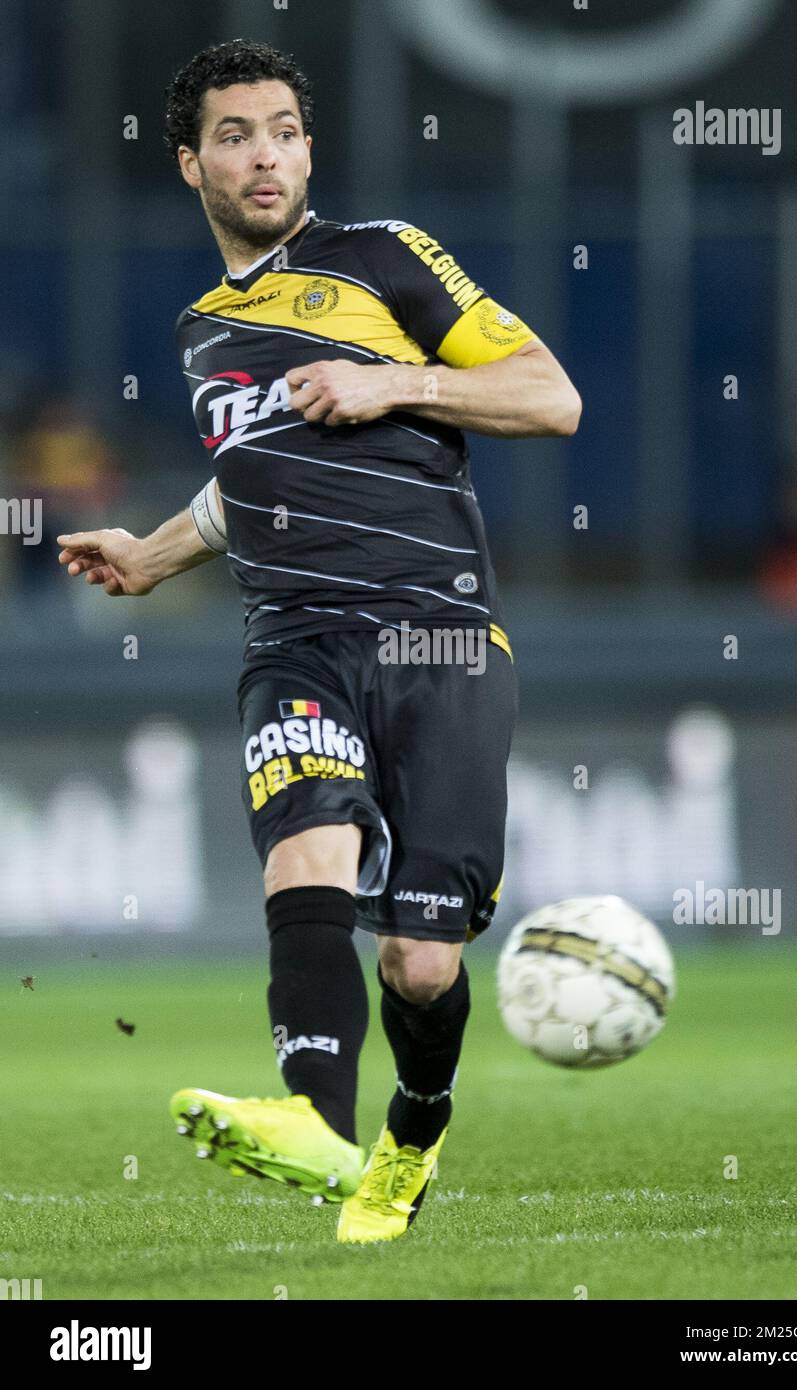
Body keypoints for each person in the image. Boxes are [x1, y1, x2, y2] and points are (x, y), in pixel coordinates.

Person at [57, 38, 581, 1244]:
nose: (265, 154)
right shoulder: (200, 330)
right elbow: (252, 483)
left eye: (285, 130)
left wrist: (395, 385)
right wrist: (151, 551)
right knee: (305, 855)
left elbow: (548, 396)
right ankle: (310, 1118)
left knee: (419, 964)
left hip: (437, 636)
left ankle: (414, 1129)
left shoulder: (379, 260)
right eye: (235, 135)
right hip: (292, 637)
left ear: (309, 147)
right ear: (189, 163)